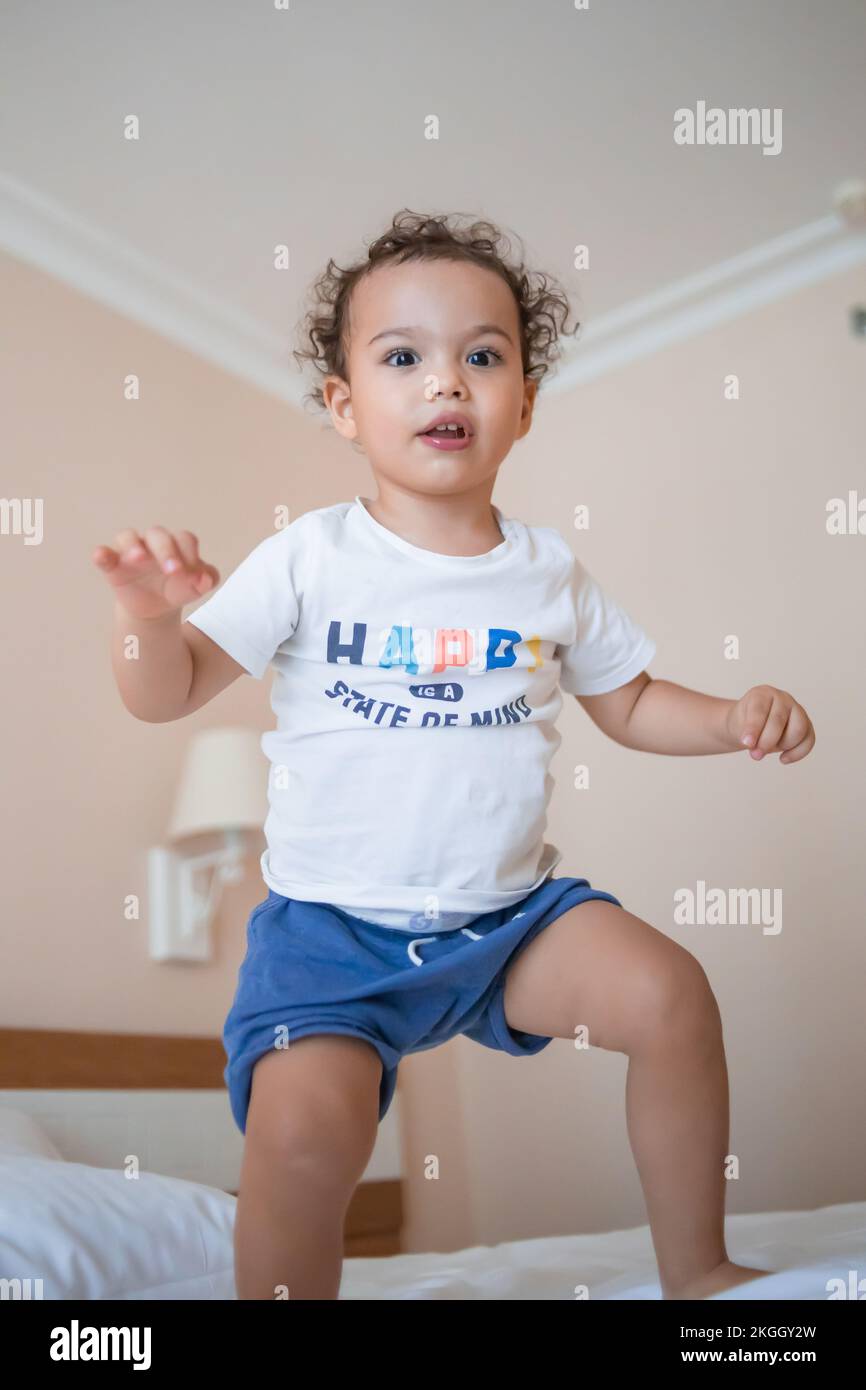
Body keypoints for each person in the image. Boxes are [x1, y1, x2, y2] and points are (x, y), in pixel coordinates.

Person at [93, 209, 815, 1301]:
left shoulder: (546, 573)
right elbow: (171, 689)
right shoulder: (308, 556)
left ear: (521, 404)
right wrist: (147, 620)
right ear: (344, 405)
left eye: (481, 356)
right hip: (331, 941)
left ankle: (698, 1270)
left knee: (669, 995)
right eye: (402, 358)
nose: (445, 383)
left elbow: (626, 701)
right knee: (304, 1138)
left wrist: (729, 717)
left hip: (508, 921)